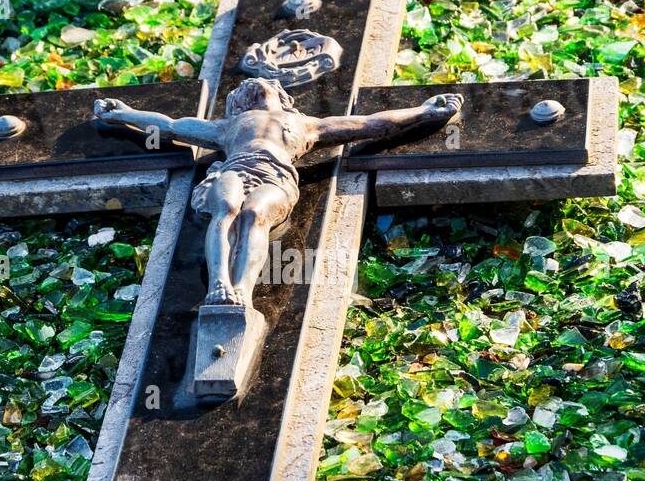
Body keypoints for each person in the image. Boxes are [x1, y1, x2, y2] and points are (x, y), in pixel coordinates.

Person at [93, 77, 463, 308]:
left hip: (276, 176)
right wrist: (124, 113)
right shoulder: (228, 125)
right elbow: (170, 125)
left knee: (254, 214)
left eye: (267, 83)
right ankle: (219, 284)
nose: (259, 84)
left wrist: (425, 110)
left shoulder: (307, 124)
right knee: (227, 207)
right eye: (250, 86)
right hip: (234, 168)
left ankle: (241, 291)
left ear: (284, 98)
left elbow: (371, 124)